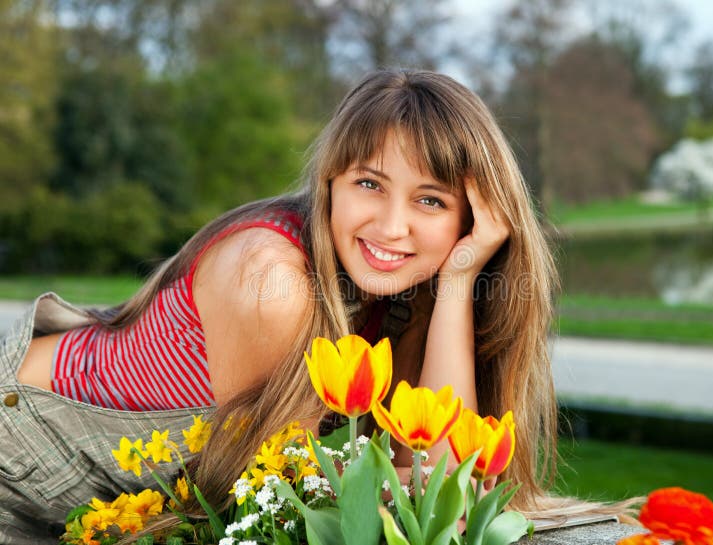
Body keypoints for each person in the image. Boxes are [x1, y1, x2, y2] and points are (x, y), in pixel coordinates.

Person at [0, 69, 570, 542]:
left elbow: (444, 477)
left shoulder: (399, 290)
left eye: (430, 199)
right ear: (330, 183)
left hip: (90, 499)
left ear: (469, 218)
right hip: (18, 457)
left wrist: (458, 278)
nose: (392, 226)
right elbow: (270, 496)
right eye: (369, 184)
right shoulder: (273, 278)